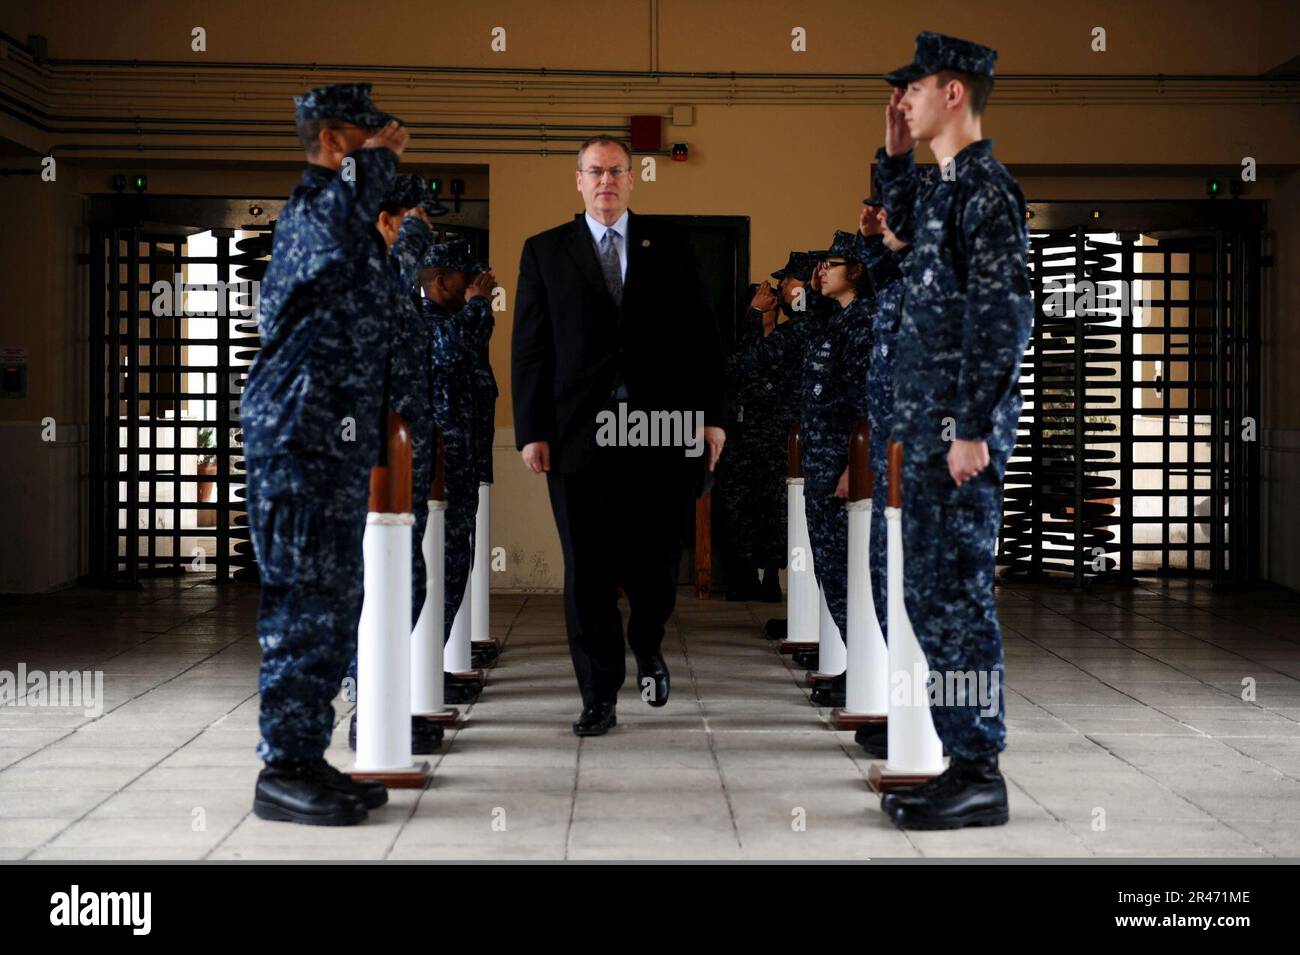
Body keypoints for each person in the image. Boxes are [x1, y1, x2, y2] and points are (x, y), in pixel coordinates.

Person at [511, 135, 725, 736]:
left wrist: (711, 417)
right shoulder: (545, 252)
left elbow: (704, 339)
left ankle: (648, 642)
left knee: (655, 562)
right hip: (578, 436)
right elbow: (530, 350)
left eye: (616, 171)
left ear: (633, 180)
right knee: (587, 571)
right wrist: (532, 430)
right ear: (578, 181)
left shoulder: (673, 245)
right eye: (594, 171)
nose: (606, 181)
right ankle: (598, 695)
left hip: (662, 432)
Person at [874, 32, 1033, 829]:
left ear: (955, 93)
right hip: (932, 441)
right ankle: (958, 762)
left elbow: (1003, 318)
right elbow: (898, 234)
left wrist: (972, 427)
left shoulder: (988, 190)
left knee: (960, 601)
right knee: (931, 599)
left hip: (959, 445)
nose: (902, 99)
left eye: (914, 89)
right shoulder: (944, 187)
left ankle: (979, 773)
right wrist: (894, 154)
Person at [242, 83, 408, 826]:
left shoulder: (345, 225)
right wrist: (376, 159)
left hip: (331, 443)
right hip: (297, 442)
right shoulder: (317, 211)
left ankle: (306, 756)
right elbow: (355, 199)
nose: (392, 141)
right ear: (337, 141)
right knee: (301, 605)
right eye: (371, 134)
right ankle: (282, 768)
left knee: (335, 603)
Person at [342, 172, 444, 755]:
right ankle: (370, 717)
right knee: (382, 587)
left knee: (403, 585)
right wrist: (410, 235)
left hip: (399, 464)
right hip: (374, 465)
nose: (426, 229)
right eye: (414, 216)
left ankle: (385, 709)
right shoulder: (366, 269)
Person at [798, 231, 876, 709]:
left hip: (844, 469)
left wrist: (854, 467)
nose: (822, 270)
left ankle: (866, 670)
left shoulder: (863, 323)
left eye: (832, 263)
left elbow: (867, 401)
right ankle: (857, 665)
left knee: (851, 572)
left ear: (858, 271)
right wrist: (813, 296)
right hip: (822, 464)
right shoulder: (836, 321)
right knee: (832, 570)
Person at [419, 240, 497, 703]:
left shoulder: (457, 322)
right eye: (466, 280)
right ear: (441, 281)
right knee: (433, 574)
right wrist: (479, 305)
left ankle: (429, 667)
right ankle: (417, 674)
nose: (474, 287)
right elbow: (446, 353)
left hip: (460, 472)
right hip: (434, 478)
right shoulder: (423, 323)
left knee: (454, 570)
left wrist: (476, 310)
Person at [717, 252, 812, 603]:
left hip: (779, 436)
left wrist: (757, 318)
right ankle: (745, 576)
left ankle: (772, 576)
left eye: (785, 283)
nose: (779, 291)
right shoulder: (753, 336)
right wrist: (753, 319)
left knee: (777, 509)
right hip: (746, 438)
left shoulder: (795, 332)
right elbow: (736, 367)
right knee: (743, 508)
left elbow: (752, 361)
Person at [852, 198, 912, 757]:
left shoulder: (948, 281)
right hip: (889, 467)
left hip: (923, 471)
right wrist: (875, 239)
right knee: (886, 591)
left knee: (919, 602)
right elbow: (888, 271)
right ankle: (905, 712)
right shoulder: (902, 283)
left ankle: (927, 724)